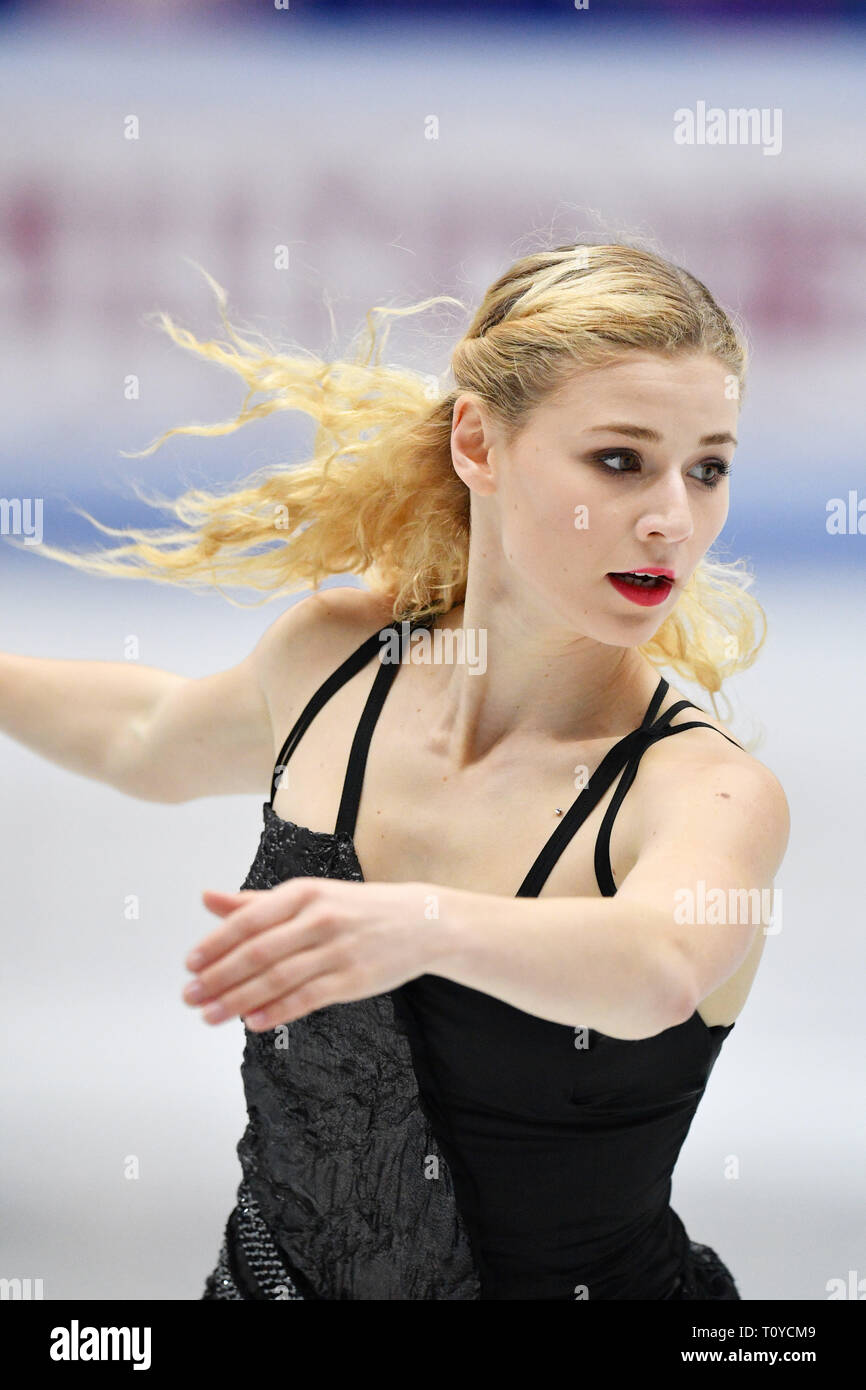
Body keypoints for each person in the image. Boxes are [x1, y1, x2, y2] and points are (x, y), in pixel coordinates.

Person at [2, 241, 789, 1300]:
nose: (671, 517)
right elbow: (150, 733)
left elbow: (656, 966)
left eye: (707, 467)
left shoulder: (701, 789)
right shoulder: (342, 661)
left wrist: (414, 923)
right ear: (478, 440)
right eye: (618, 460)